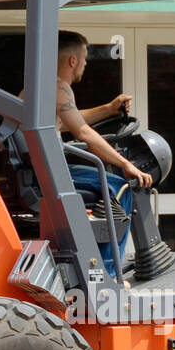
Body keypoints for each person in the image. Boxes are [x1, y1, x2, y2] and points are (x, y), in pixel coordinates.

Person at [51, 31, 151, 276]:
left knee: (111, 187)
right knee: (121, 187)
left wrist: (109, 109)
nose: (86, 63)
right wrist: (126, 164)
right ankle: (108, 273)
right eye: (84, 58)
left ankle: (104, 263)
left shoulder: (43, 88)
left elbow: (68, 121)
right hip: (50, 173)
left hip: (41, 170)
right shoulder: (59, 88)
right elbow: (84, 133)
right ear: (72, 61)